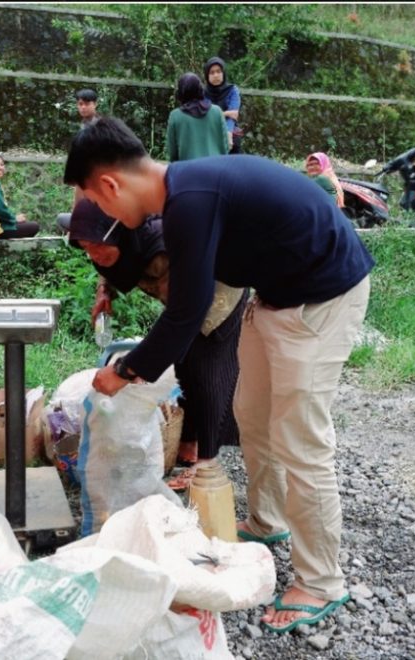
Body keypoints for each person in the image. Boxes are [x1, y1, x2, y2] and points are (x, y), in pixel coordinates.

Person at [63, 117, 374, 635]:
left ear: (110, 186)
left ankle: (321, 582)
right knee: (251, 416)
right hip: (274, 297)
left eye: (98, 203)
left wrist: (126, 371)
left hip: (323, 298)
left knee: (301, 442)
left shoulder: (190, 200)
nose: (106, 217)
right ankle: (267, 523)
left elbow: (186, 313)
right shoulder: (182, 197)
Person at [62, 199, 247, 488]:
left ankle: (206, 465)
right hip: (184, 298)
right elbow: (105, 257)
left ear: (119, 235)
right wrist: (104, 291)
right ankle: (188, 442)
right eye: (86, 248)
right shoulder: (113, 238)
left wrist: (124, 371)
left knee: (207, 372)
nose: (93, 254)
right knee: (184, 367)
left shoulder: (163, 248)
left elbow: (179, 321)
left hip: (218, 290)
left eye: (97, 247)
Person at [166, 73, 229, 162]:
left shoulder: (175, 116)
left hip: (188, 171)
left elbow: (172, 153)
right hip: (215, 169)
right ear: (200, 89)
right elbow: (225, 146)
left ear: (181, 91)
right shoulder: (217, 111)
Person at [203, 56, 243, 154]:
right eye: (212, 72)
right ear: (207, 75)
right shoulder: (202, 93)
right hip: (208, 131)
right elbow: (205, 114)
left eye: (218, 71)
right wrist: (226, 113)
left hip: (230, 132)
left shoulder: (233, 90)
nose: (216, 75)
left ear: (223, 73)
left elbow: (233, 116)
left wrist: (228, 133)